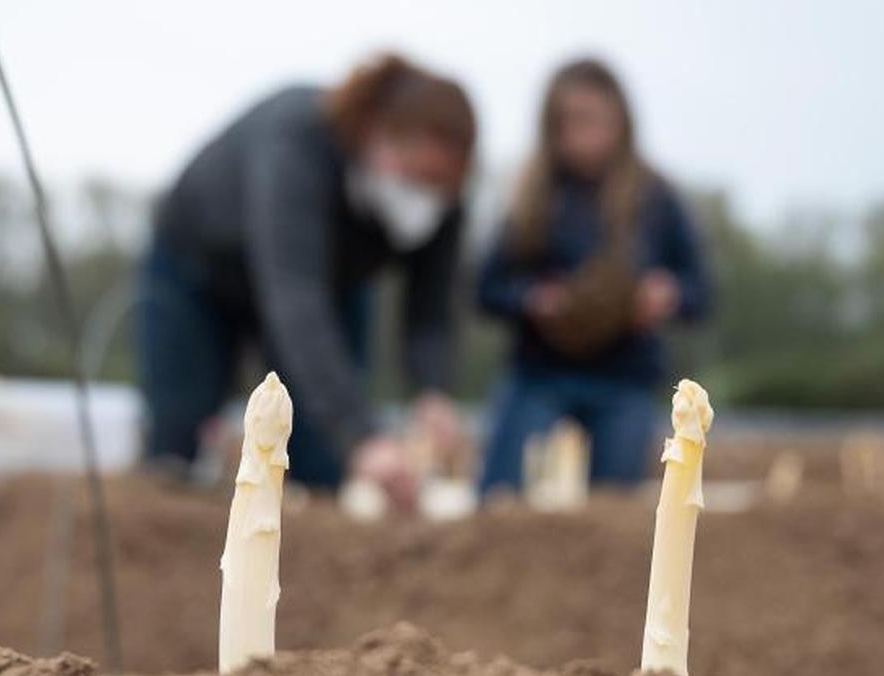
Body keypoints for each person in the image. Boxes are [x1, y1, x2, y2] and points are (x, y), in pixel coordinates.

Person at [139, 54, 475, 509]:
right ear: (377, 135)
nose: (428, 194)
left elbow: (428, 311)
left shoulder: (443, 205)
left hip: (330, 287)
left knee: (324, 458)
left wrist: (432, 391)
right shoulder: (296, 140)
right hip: (200, 273)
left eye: (442, 183)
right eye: (419, 175)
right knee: (177, 444)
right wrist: (363, 436)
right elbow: (296, 303)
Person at [477, 58, 710, 494]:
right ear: (553, 128)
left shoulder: (656, 199)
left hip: (624, 378)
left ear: (621, 123)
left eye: (598, 122)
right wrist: (533, 299)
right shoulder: (531, 197)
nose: (587, 138)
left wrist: (668, 294)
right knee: (502, 497)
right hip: (539, 375)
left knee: (613, 511)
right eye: (574, 124)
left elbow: (701, 292)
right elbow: (485, 289)